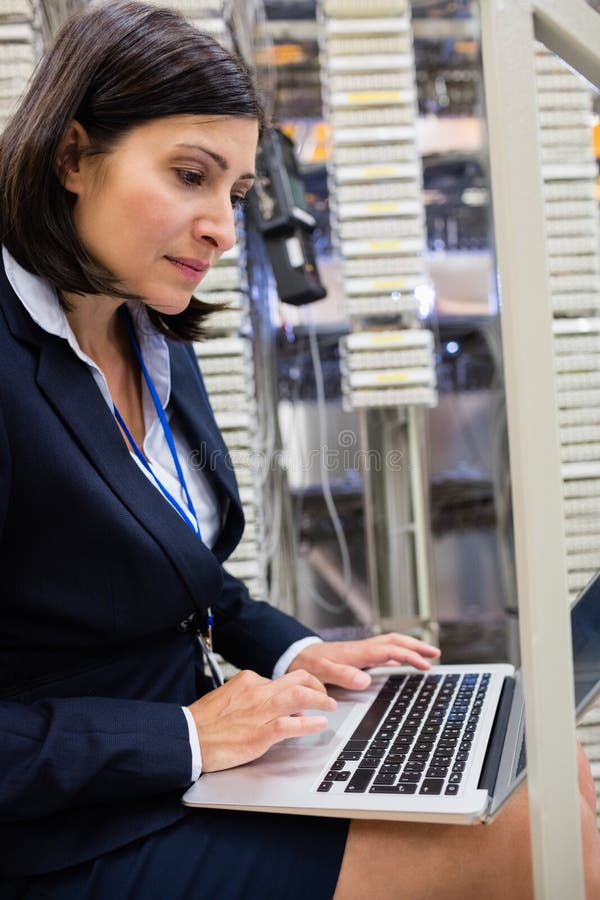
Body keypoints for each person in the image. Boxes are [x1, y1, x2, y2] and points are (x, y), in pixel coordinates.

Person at [0, 2, 598, 898]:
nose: (222, 229)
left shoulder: (145, 335)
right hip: (71, 827)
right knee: (527, 833)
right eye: (189, 175)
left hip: (190, 771)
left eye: (236, 194)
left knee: (545, 767)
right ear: (72, 156)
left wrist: (292, 653)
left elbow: (174, 577)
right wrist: (194, 736)